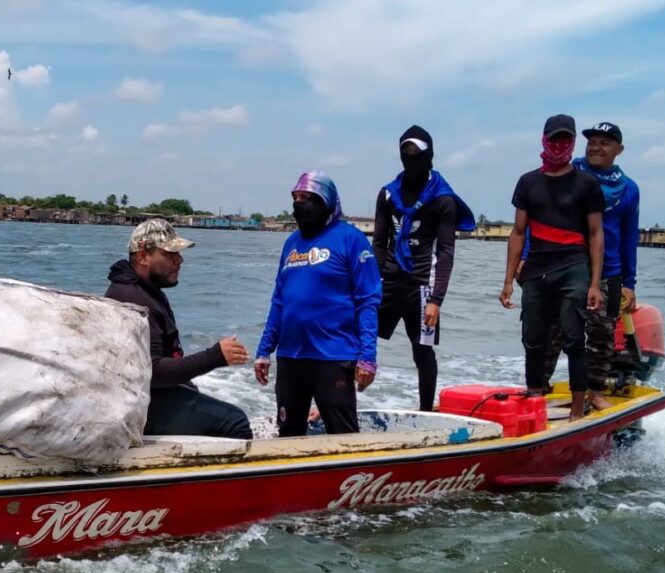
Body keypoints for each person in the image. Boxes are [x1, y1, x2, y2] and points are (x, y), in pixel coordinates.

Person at [254, 171, 381, 436]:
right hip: (290, 356)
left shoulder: (351, 239)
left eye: (307, 198)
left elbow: (368, 301)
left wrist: (367, 357)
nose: (299, 204)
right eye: (296, 198)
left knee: (342, 435)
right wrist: (264, 350)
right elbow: (279, 300)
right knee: (288, 434)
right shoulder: (292, 242)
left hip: (334, 356)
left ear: (325, 201)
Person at [105, 219, 253, 439]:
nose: (179, 259)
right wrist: (214, 357)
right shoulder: (132, 299)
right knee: (235, 422)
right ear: (143, 256)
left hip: (143, 396)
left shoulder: (144, 291)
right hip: (137, 405)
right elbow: (152, 372)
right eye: (169, 254)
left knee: (203, 403)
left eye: (178, 253)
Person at [499, 115, 604, 420]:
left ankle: (576, 412)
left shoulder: (586, 184)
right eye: (554, 139)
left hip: (574, 266)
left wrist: (594, 284)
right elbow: (518, 233)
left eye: (565, 139)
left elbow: (596, 234)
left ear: (573, 142)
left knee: (573, 337)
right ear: (544, 140)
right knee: (533, 338)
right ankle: (534, 400)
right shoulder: (528, 182)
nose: (559, 145)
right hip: (536, 270)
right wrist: (507, 281)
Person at [535, 122, 640, 408]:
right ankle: (538, 389)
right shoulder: (568, 176)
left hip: (609, 272)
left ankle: (595, 392)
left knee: (602, 336)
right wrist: (526, 257)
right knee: (552, 332)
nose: (596, 147)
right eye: (592, 142)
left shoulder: (629, 189)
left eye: (604, 143)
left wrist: (630, 283)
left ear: (619, 149)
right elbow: (540, 217)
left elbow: (629, 238)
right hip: (566, 264)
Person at [373, 125, 475, 412]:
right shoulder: (388, 194)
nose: (411, 157)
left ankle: (426, 412)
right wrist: (370, 284)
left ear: (429, 155)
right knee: (359, 336)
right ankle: (341, 405)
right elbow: (379, 243)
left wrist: (436, 299)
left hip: (422, 286)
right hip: (389, 279)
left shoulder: (442, 199)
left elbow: (445, 252)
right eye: (405, 151)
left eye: (416, 151)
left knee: (423, 352)